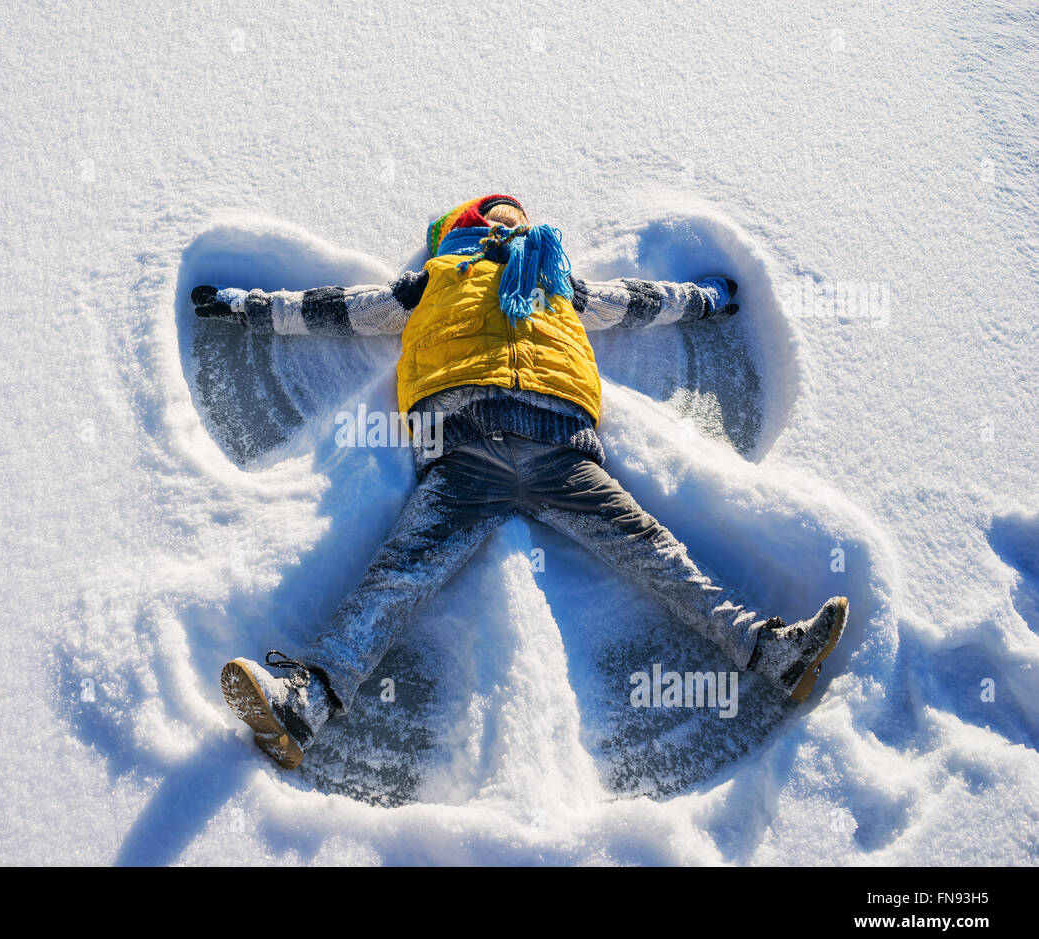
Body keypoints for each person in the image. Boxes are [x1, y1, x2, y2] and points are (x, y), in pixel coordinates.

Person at [194, 194, 848, 769]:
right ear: (465, 226)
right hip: (464, 447)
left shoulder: (555, 276)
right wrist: (247, 307)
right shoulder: (435, 277)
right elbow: (335, 308)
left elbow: (635, 302)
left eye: (514, 209)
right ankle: (301, 703)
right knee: (400, 574)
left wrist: (704, 300)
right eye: (491, 210)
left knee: (657, 555)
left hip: (562, 446)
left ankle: (774, 654)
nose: (508, 214)